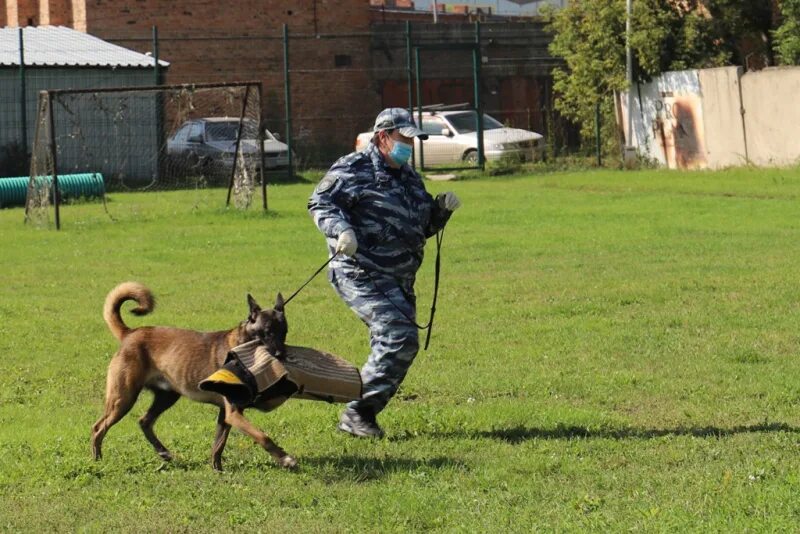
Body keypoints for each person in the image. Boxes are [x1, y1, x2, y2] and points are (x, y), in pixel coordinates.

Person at [308, 108, 461, 438]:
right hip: (360, 272)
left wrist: (440, 212)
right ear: (383, 137)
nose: (409, 145)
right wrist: (341, 231)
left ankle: (361, 410)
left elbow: (421, 228)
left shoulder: (408, 177)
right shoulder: (353, 168)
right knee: (399, 337)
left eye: (412, 139)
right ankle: (358, 413)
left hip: (399, 279)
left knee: (401, 344)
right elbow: (320, 203)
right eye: (403, 138)